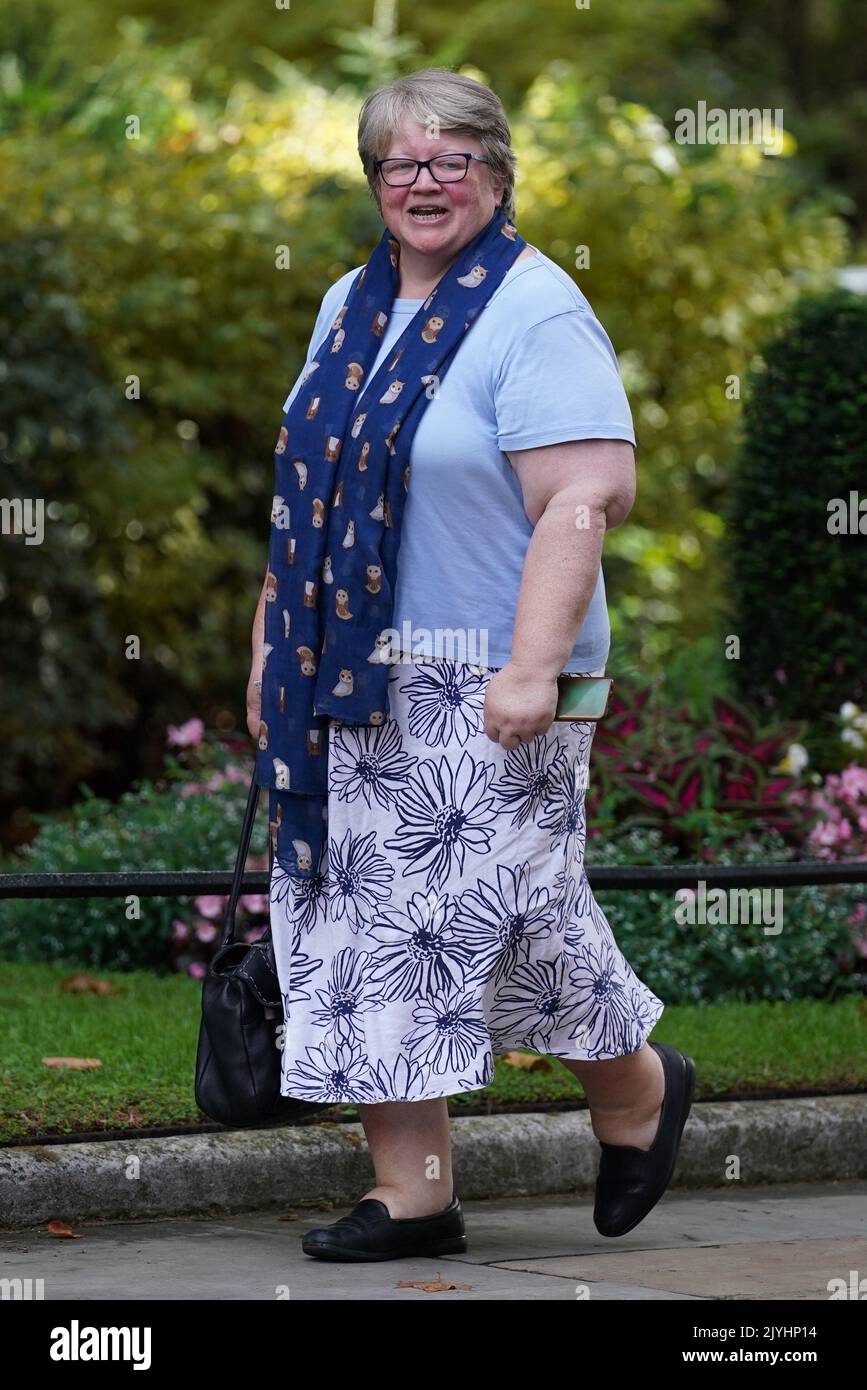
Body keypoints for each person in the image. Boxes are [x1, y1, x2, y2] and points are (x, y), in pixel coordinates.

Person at [246, 67, 695, 1262]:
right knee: (370, 926)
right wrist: (269, 648)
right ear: (373, 181)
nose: (424, 183)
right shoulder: (348, 303)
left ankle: (636, 1093)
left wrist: (531, 668)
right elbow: (309, 495)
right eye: (400, 163)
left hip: (492, 672)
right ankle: (416, 1191)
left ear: (498, 174)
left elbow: (586, 499)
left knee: (502, 909)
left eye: (452, 160)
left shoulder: (535, 310)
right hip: (349, 667)